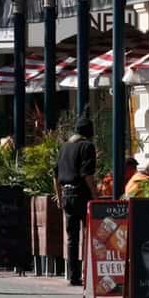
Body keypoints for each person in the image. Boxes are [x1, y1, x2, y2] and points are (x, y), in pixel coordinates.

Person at [54, 115, 99, 286]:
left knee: (72, 238)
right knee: (89, 234)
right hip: (82, 195)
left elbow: (56, 176)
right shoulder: (87, 146)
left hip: (66, 195)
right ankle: (89, 274)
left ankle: (74, 276)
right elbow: (87, 174)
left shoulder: (64, 147)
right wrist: (95, 195)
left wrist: (59, 198)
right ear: (89, 132)